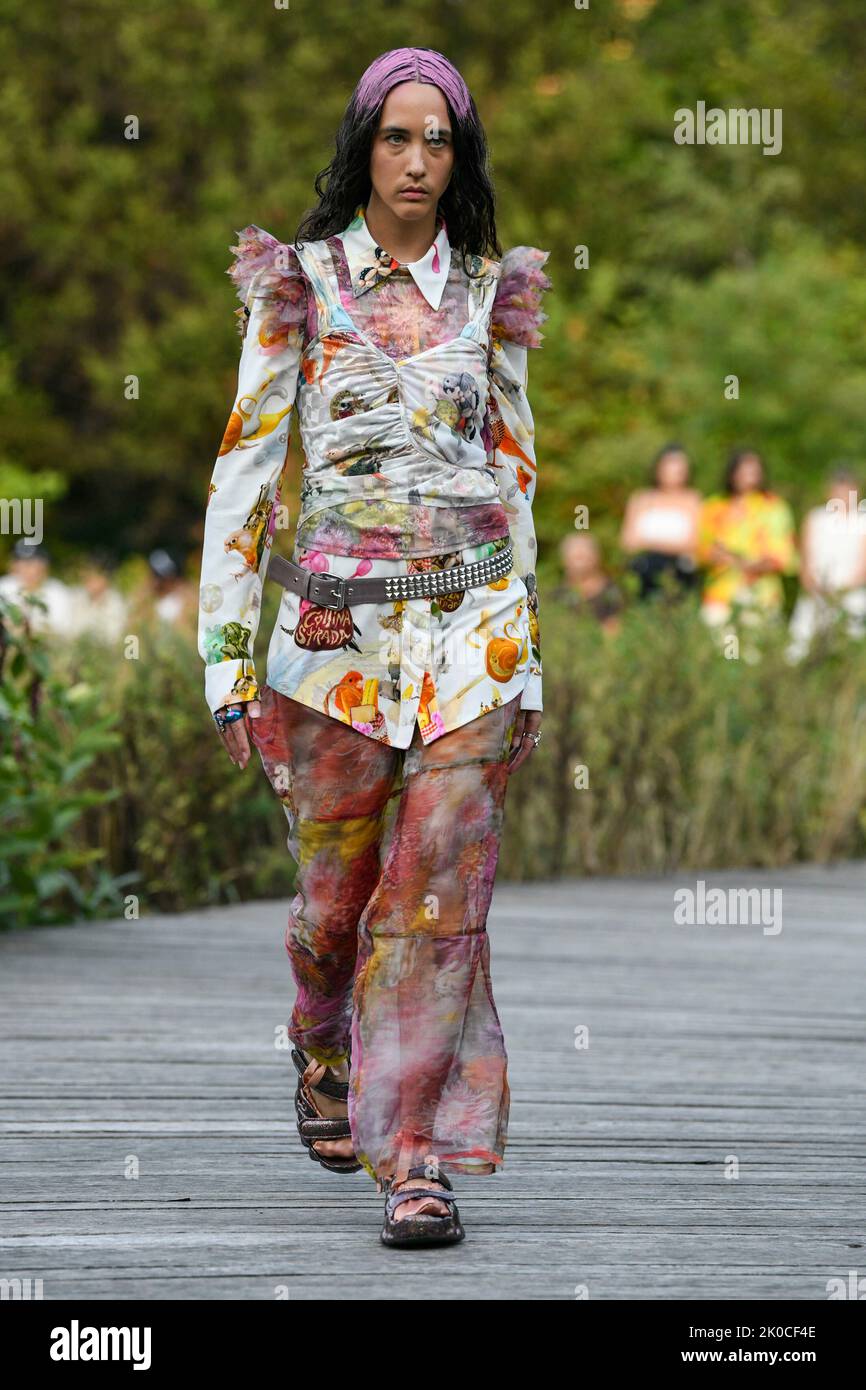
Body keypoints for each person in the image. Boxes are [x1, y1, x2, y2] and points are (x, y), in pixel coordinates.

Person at [197, 47, 552, 1248]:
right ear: (364, 147)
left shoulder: (492, 291)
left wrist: (529, 646)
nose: (414, 161)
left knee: (438, 893)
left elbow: (513, 475)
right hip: (329, 640)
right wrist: (224, 662)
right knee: (333, 903)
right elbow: (245, 473)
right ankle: (316, 1031)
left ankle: (417, 1158)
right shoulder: (296, 285)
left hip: (471, 636)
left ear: (460, 157)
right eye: (395, 138)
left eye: (436, 140)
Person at [697, 449, 797, 627]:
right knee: (727, 652)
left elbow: (783, 556)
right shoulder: (714, 506)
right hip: (721, 595)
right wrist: (733, 560)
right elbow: (701, 548)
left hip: (762, 597)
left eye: (753, 471)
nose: (748, 476)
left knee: (753, 651)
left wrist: (747, 564)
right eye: (743, 471)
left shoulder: (774, 507)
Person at [787, 467, 866, 660]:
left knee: (848, 651)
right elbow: (804, 560)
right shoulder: (815, 518)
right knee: (799, 648)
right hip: (814, 594)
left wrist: (839, 592)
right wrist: (814, 586)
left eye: (847, 489)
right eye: (838, 488)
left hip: (851, 597)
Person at [619, 443, 701, 598]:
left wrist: (650, 542)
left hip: (680, 573)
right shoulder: (641, 499)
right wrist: (672, 545)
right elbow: (628, 542)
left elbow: (695, 543)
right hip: (644, 572)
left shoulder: (693, 499)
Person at [0, 540, 75, 637]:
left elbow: (63, 631)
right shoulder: (3, 586)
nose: (29, 570)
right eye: (22, 563)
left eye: (32, 564)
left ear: (44, 566)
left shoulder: (58, 592)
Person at [552, 533, 623, 633]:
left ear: (596, 558)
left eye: (583, 557)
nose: (580, 563)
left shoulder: (612, 593)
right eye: (576, 557)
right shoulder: (557, 596)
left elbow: (614, 629)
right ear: (564, 560)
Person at [67, 552, 128, 644]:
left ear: (106, 578)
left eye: (95, 573)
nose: (88, 577)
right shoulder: (76, 596)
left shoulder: (116, 605)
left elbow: (112, 640)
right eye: (88, 571)